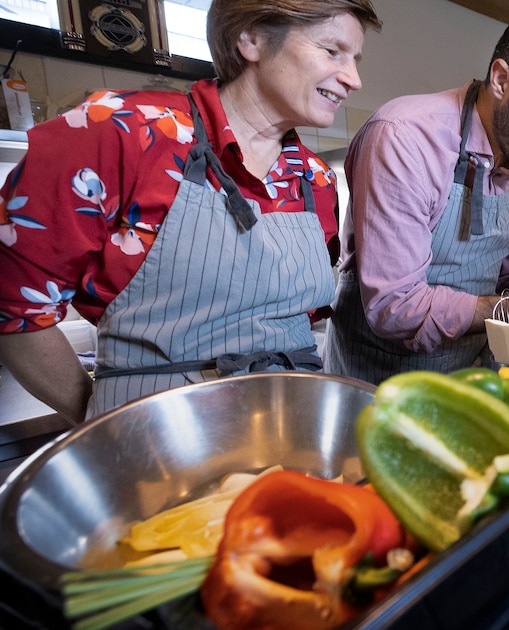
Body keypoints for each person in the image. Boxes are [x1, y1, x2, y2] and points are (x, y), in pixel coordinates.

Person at [0, 0, 382, 423]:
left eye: (355, 59)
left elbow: (299, 319)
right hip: (153, 438)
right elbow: (15, 310)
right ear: (251, 38)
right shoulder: (120, 131)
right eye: (332, 51)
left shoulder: (315, 179)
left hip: (293, 423)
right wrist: (101, 425)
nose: (354, 79)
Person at [323, 5, 509, 383]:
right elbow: (395, 308)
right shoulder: (404, 139)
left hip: (474, 377)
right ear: (501, 80)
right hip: (382, 385)